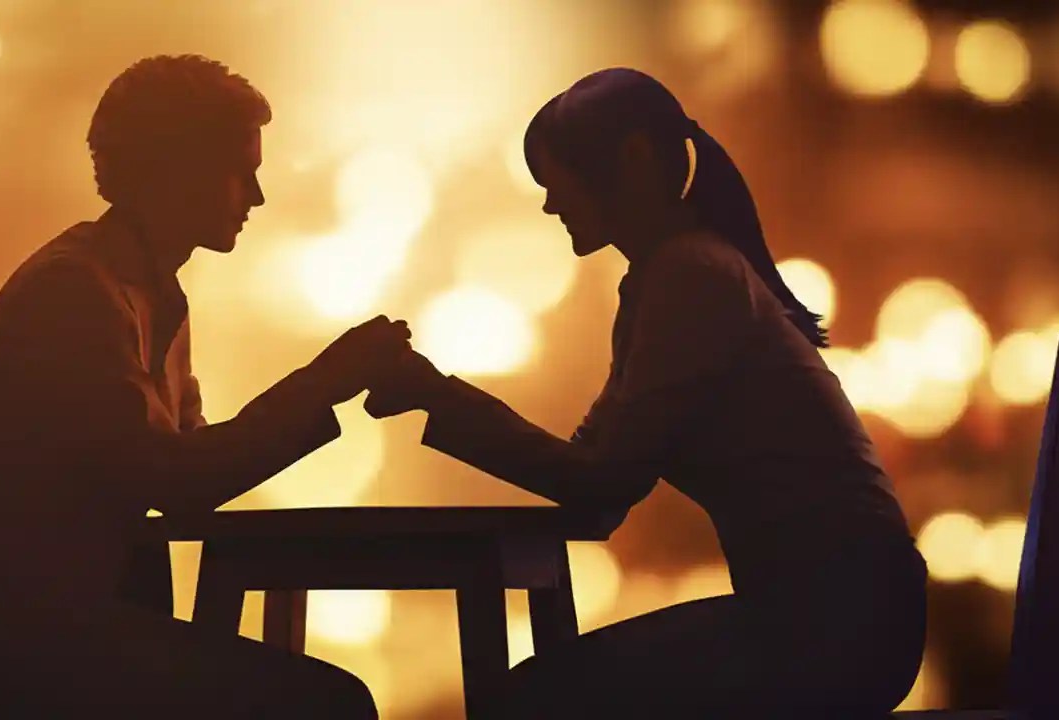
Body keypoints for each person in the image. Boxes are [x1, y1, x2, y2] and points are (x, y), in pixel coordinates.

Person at [365, 68, 927, 717]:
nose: (549, 205)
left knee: (532, 698)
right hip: (825, 617)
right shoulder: (663, 282)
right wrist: (438, 399)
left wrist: (436, 397)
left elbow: (599, 483)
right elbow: (594, 476)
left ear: (630, 160)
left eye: (557, 181)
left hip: (839, 628)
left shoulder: (692, 278)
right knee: (534, 693)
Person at [0, 55, 402, 718]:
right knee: (330, 704)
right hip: (11, 644)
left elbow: (191, 474)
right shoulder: (75, 293)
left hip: (56, 632)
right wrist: (325, 382)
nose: (257, 196)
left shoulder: (152, 295)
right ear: (176, 170)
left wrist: (326, 385)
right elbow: (179, 481)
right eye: (240, 172)